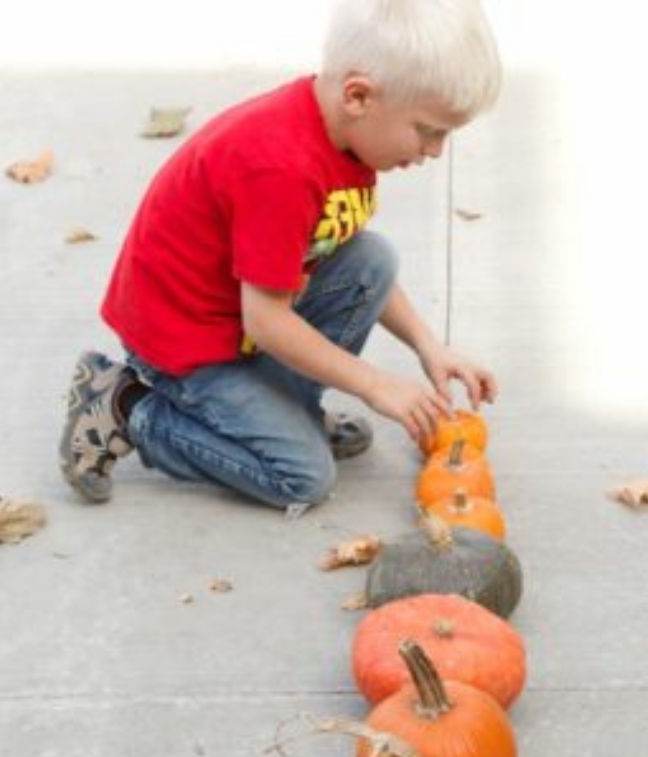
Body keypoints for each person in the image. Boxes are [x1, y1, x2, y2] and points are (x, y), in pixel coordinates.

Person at [59, 0, 501, 509]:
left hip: (238, 311)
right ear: (359, 95)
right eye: (428, 130)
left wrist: (429, 347)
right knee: (303, 475)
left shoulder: (345, 133)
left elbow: (333, 251)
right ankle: (125, 407)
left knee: (371, 259)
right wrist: (374, 385)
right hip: (186, 342)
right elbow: (266, 322)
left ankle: (286, 410)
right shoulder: (281, 169)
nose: (434, 151)